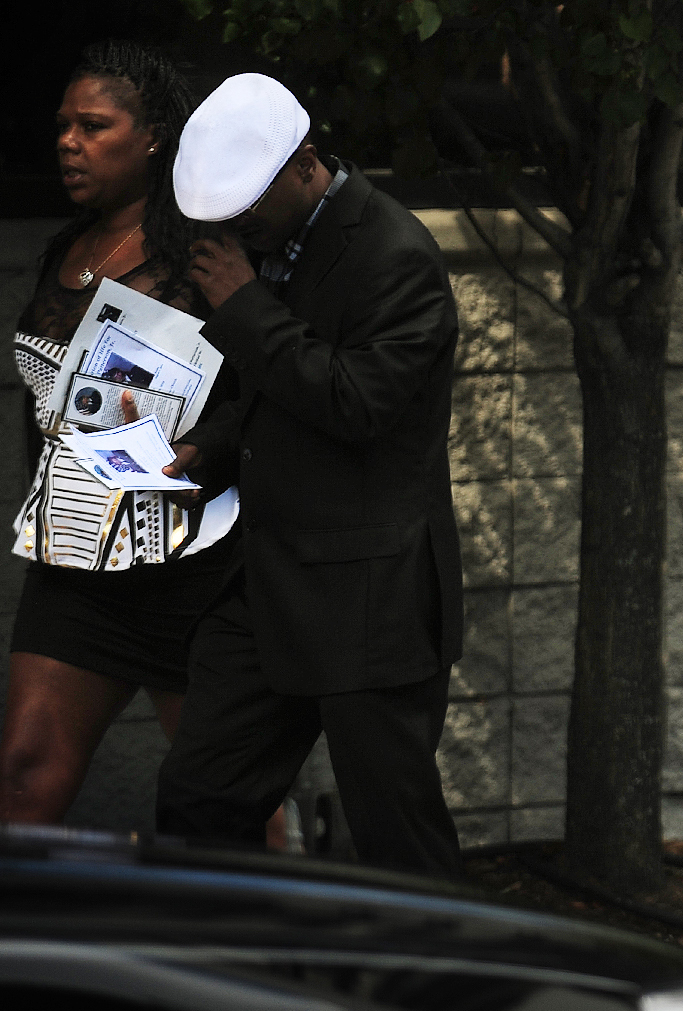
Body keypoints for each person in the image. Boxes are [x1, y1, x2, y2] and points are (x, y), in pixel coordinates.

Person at [154, 74, 464, 875]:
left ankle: (443, 992)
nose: (234, 223)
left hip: (367, 599)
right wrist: (212, 449)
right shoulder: (268, 244)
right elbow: (272, 390)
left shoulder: (397, 254)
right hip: (268, 586)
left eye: (247, 205)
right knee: (198, 800)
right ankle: (221, 987)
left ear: (306, 164)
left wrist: (247, 305)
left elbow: (360, 405)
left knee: (395, 835)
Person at [0, 42, 242, 826]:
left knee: (227, 808)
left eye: (93, 125)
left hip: (189, 573)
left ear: (152, 138)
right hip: (77, 569)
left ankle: (260, 947)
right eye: (64, 125)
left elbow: (270, 396)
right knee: (24, 772)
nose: (68, 141)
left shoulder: (210, 257)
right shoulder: (63, 251)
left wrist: (202, 449)